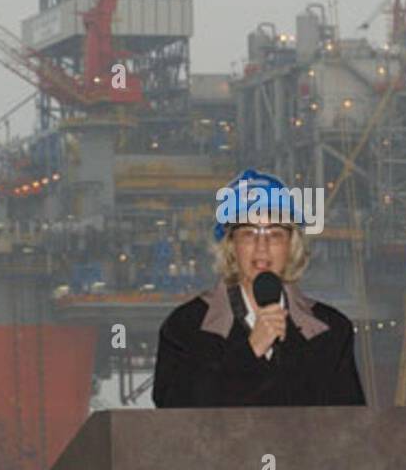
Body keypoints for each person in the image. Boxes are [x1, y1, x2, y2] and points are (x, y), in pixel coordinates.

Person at [152, 168, 366, 408]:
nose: (262, 247)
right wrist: (249, 351)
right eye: (248, 233)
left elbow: (350, 427)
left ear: (291, 245)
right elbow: (174, 414)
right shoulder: (185, 328)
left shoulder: (332, 332)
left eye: (274, 234)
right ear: (231, 245)